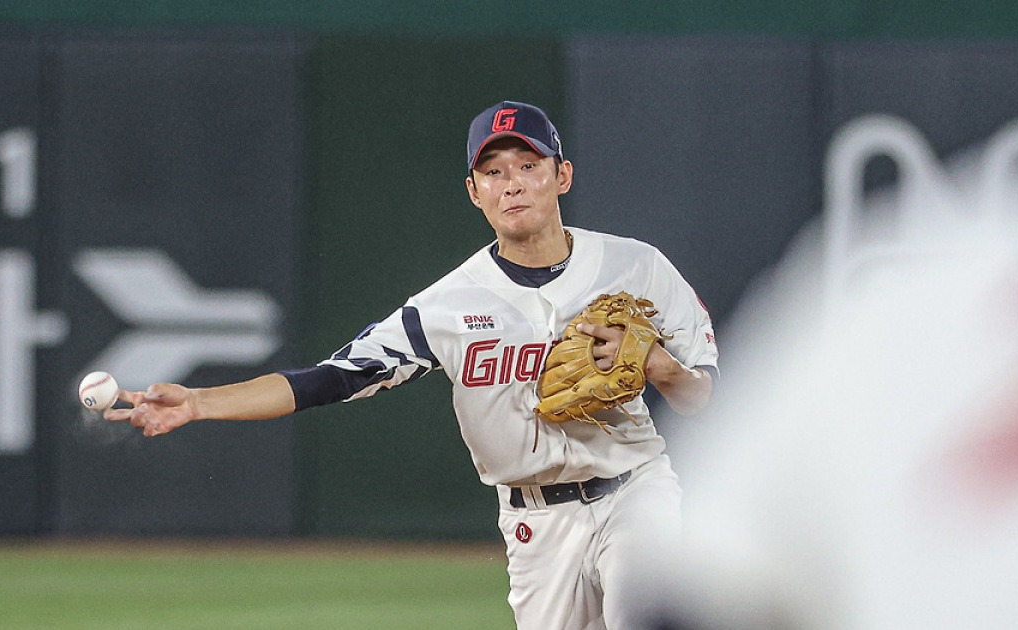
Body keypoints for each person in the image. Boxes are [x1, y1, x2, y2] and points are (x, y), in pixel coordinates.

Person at [106, 100, 718, 629]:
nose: (513, 184)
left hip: (635, 489)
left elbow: (702, 397)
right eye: (494, 171)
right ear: (474, 191)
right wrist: (198, 403)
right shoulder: (446, 305)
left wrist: (661, 367)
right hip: (534, 524)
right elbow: (329, 379)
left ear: (562, 175)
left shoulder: (636, 266)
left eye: (529, 166)